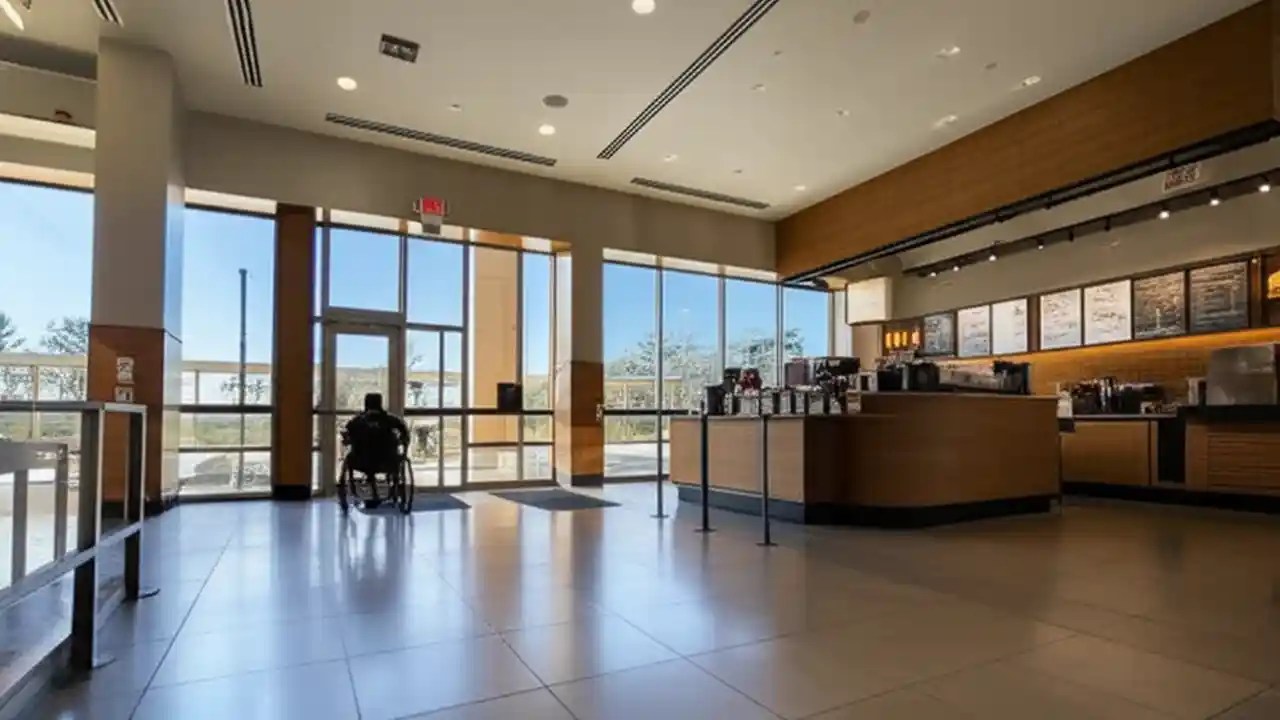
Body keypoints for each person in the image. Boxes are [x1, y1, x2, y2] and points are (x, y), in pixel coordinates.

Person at [341, 393, 410, 508]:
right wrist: (403, 445)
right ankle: (393, 491)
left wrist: (348, 441)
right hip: (388, 460)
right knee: (393, 462)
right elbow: (404, 433)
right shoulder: (391, 420)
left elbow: (346, 436)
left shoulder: (357, 421)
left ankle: (371, 492)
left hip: (361, 461)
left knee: (360, 460)